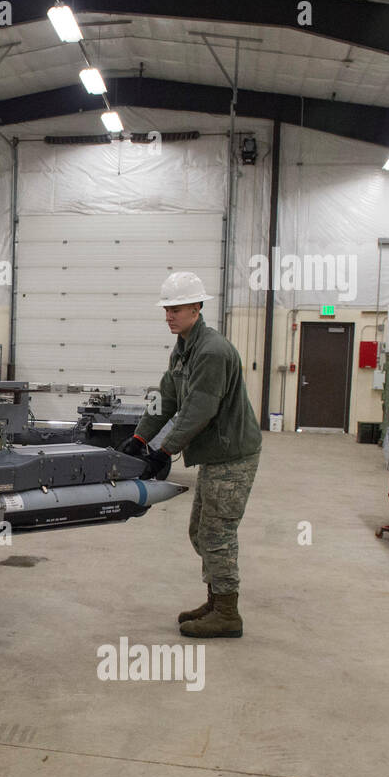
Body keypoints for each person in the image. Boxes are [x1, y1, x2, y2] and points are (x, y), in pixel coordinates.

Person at [119, 272, 262, 639]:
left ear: (197, 308)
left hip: (232, 455)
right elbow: (166, 397)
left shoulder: (212, 351)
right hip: (216, 456)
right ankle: (216, 601)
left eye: (177, 309)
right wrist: (139, 438)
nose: (169, 315)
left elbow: (199, 409)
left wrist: (164, 450)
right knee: (199, 530)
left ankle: (228, 614)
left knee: (217, 532)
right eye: (166, 309)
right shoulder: (184, 347)